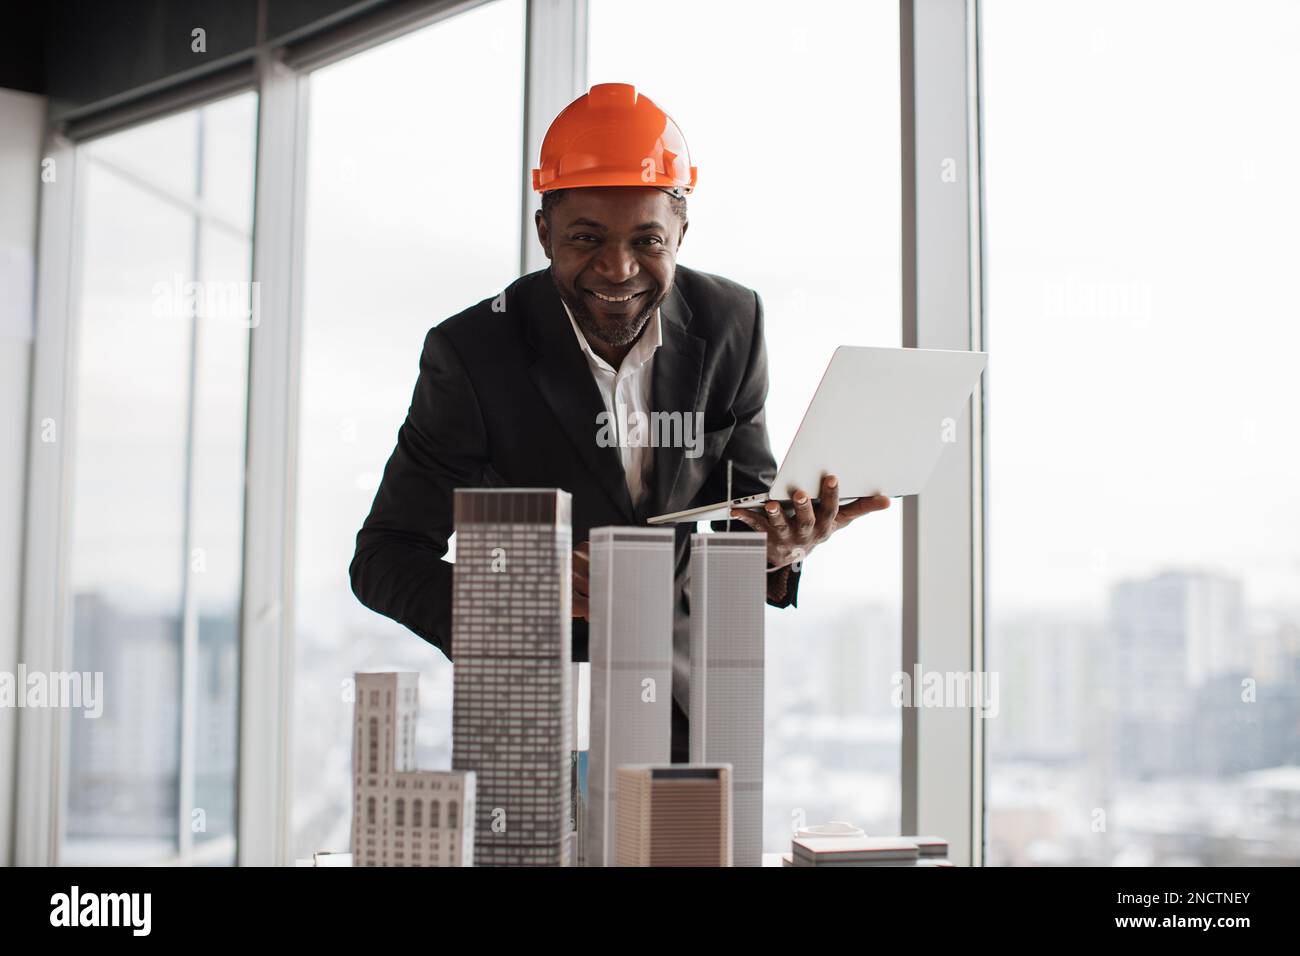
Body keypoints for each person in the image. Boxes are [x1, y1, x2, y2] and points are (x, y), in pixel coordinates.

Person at [349, 83, 890, 761]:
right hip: (532, 714)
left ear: (682, 231)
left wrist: (781, 549)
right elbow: (384, 557)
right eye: (586, 239)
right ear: (544, 232)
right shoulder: (473, 353)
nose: (618, 268)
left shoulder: (732, 324)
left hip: (683, 706)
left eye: (647, 240)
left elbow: (741, 512)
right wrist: (520, 594)